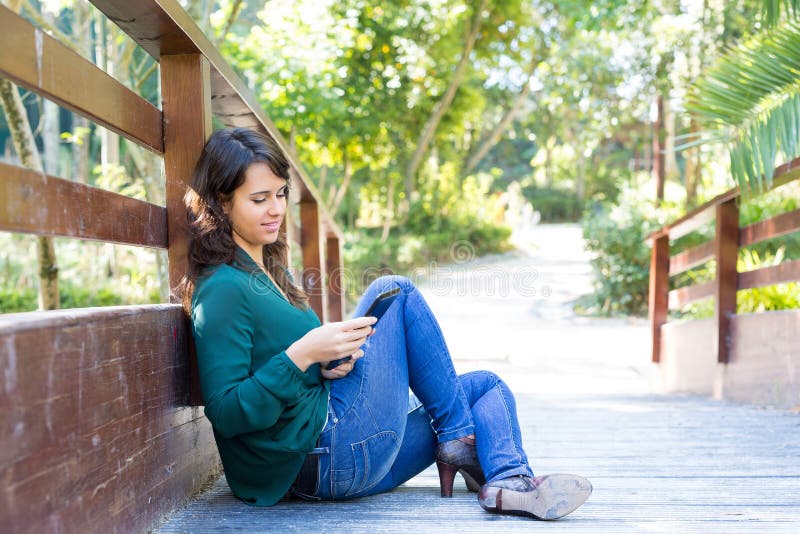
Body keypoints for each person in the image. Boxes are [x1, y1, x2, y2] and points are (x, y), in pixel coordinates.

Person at [181, 127, 592, 520]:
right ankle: (458, 439)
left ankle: (508, 483)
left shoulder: (268, 269)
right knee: (396, 291)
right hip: (319, 454)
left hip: (342, 447)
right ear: (222, 200)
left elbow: (285, 370)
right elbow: (227, 411)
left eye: (281, 193)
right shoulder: (223, 287)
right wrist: (303, 353)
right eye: (259, 199)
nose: (276, 209)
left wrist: (326, 364)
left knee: (487, 388)